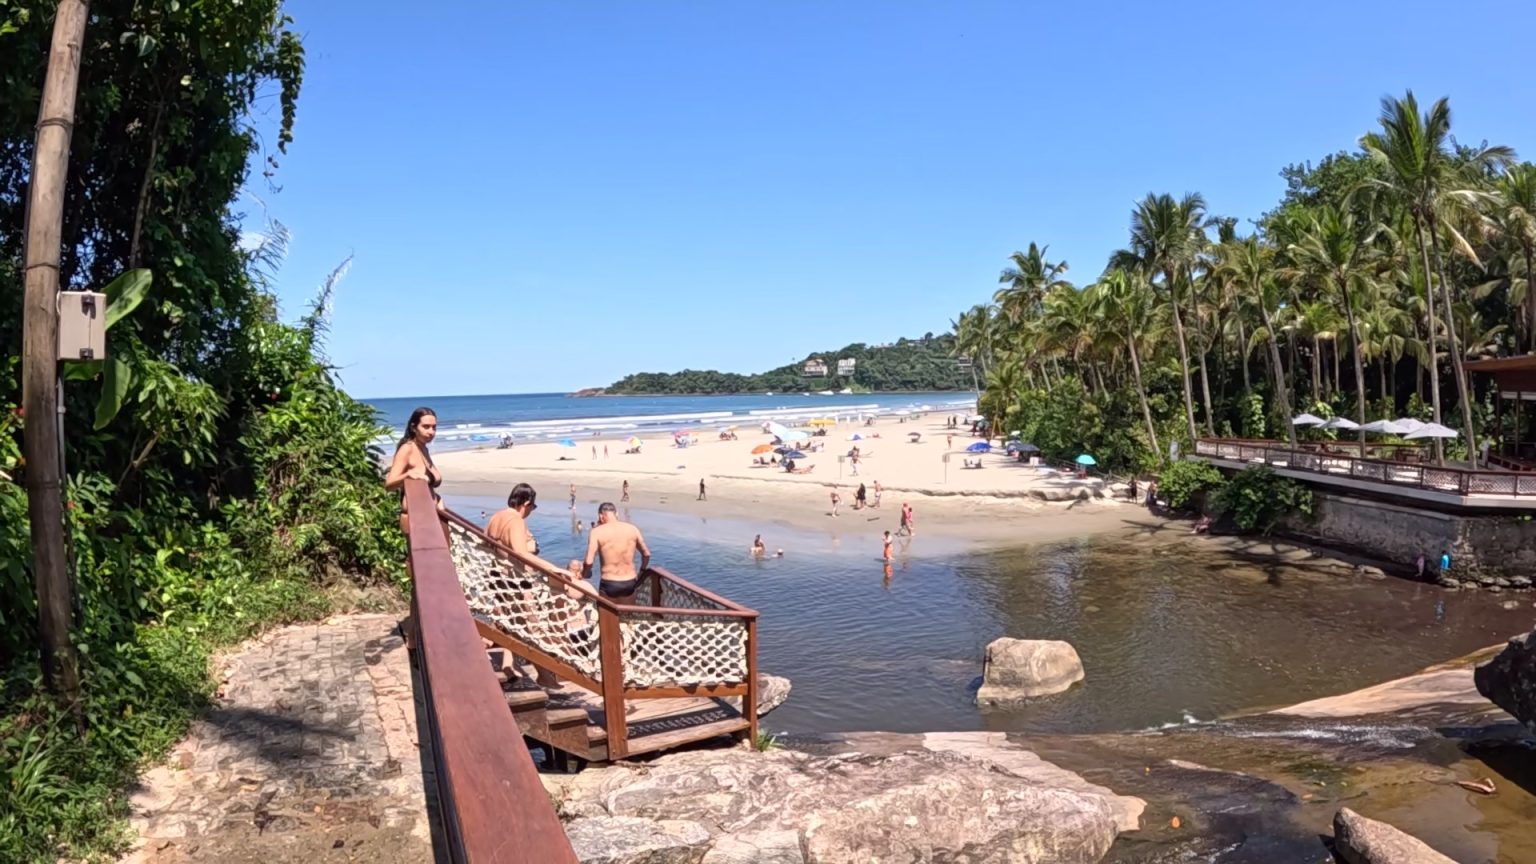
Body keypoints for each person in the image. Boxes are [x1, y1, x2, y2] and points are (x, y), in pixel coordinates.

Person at [385, 406, 444, 532]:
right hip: (415, 522)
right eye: (426, 426)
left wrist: (437, 499)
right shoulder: (407, 448)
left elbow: (428, 487)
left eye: (434, 427)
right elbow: (389, 484)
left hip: (430, 518)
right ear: (413, 427)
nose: (431, 432)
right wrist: (408, 475)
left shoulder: (423, 449)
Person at [581, 502, 652, 604]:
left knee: (607, 618)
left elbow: (588, 562)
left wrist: (584, 574)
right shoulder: (632, 529)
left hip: (609, 582)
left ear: (601, 516)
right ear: (617, 514)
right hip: (630, 581)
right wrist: (642, 570)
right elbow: (646, 554)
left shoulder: (596, 532)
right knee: (627, 616)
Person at [488, 483, 541, 556]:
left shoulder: (495, 516)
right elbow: (521, 554)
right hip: (513, 566)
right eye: (533, 506)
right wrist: (552, 567)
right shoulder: (517, 521)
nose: (532, 510)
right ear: (527, 503)